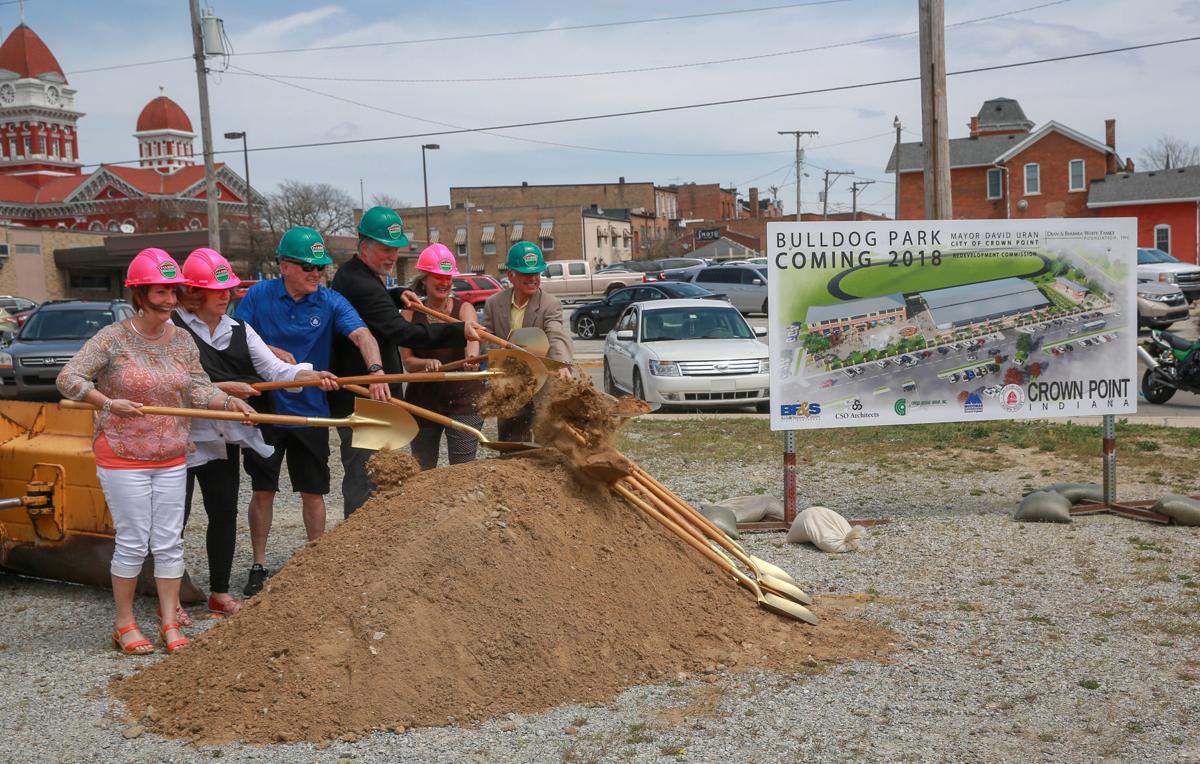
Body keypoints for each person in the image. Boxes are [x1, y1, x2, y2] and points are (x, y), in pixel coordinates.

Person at [57, 248, 255, 655]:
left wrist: (229, 403)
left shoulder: (182, 340)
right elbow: (68, 377)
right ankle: (125, 623)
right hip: (122, 453)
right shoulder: (113, 338)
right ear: (139, 293)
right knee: (133, 541)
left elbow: (197, 388)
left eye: (172, 292)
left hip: (171, 454)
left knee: (169, 542)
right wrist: (107, 403)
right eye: (160, 292)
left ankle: (168, 621)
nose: (168, 300)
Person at [174, 247, 339, 616]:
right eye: (217, 290)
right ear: (195, 292)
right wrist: (228, 387)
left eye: (229, 289)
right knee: (175, 519)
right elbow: (176, 381)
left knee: (223, 512)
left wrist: (311, 376)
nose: (226, 296)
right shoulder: (174, 328)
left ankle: (218, 591)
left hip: (220, 437)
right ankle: (170, 597)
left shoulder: (239, 329)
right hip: (180, 437)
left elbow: (275, 372)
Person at [234, 226, 391, 597]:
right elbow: (235, 335)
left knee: (314, 491)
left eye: (320, 268)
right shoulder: (259, 296)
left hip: (311, 411)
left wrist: (376, 371)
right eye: (308, 267)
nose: (315, 274)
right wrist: (270, 350)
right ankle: (258, 564)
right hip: (267, 410)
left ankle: (316, 561)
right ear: (284, 266)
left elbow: (362, 335)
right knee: (263, 490)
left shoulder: (330, 301)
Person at [329, 207, 480, 511]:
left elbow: (377, 300)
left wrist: (398, 295)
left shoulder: (359, 275)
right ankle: (360, 545)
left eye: (395, 250)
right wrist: (459, 331)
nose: (392, 256)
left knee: (377, 475)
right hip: (365, 396)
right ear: (364, 247)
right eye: (385, 249)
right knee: (365, 478)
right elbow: (403, 333)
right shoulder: (359, 283)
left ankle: (370, 541)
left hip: (374, 395)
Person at [400, 244, 484, 469]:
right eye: (438, 277)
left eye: (448, 277)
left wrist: (471, 358)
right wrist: (426, 363)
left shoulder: (464, 308)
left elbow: (472, 339)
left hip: (464, 399)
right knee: (424, 470)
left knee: (462, 470)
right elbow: (408, 362)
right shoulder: (410, 312)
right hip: (423, 401)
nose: (444, 283)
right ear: (424, 279)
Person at [482, 241, 574, 442]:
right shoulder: (494, 303)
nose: (533, 279)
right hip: (509, 386)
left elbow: (555, 334)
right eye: (527, 274)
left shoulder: (550, 304)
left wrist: (562, 365)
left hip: (542, 386)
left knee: (546, 444)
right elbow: (486, 338)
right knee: (510, 443)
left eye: (537, 274)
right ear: (511, 275)